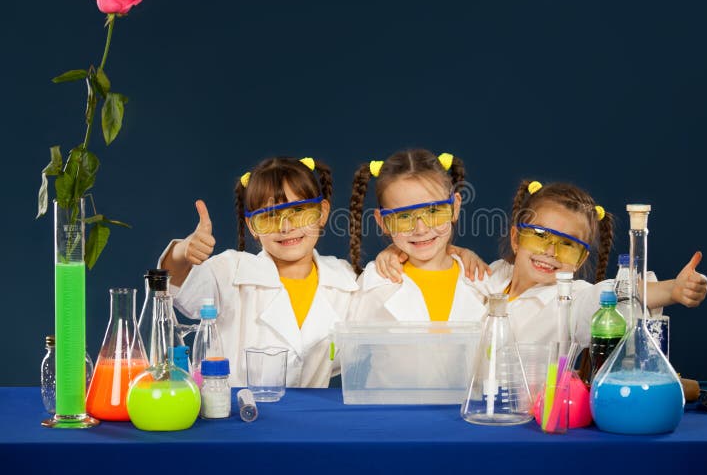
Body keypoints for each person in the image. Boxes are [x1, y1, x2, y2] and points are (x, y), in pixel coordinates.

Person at [157, 156, 359, 388]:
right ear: (252, 226)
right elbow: (174, 283)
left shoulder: (345, 280)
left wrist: (392, 254)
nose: (286, 227)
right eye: (269, 217)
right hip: (236, 415)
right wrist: (182, 251)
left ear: (322, 213)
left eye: (299, 210)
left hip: (309, 419)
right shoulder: (231, 271)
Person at [478, 180, 707, 348]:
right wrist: (458, 252)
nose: (550, 252)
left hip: (532, 412)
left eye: (568, 244)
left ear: (580, 259)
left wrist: (672, 290)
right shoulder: (493, 273)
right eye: (539, 235)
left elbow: (612, 294)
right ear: (516, 238)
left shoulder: (571, 300)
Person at [348, 149, 487, 322]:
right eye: (404, 216)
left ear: (455, 207)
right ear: (382, 222)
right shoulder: (372, 284)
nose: (420, 229)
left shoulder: (483, 282)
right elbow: (349, 345)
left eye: (433, 210)